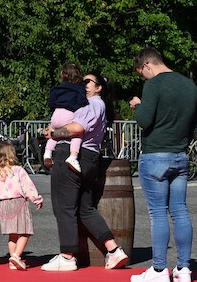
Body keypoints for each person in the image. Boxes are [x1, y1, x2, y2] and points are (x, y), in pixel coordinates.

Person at [41, 70, 129, 271]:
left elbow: (77, 128)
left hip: (74, 155)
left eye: (88, 81)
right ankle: (114, 251)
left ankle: (67, 256)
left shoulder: (92, 104)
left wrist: (53, 133)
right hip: (90, 158)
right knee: (85, 209)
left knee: (64, 207)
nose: (83, 83)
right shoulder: (100, 105)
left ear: (99, 87)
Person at [128, 47, 197, 282]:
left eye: (141, 73)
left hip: (155, 155)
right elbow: (194, 126)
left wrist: (138, 105)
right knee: (180, 211)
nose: (143, 77)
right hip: (180, 155)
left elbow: (144, 120)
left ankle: (159, 270)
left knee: (158, 213)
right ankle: (184, 269)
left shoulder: (154, 84)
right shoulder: (190, 85)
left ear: (147, 64)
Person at [0, 140, 43, 270]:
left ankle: (12, 259)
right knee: (25, 231)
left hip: (3, 205)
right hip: (18, 203)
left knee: (13, 233)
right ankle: (16, 256)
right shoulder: (18, 170)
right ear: (12, 155)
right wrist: (36, 199)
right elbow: (28, 186)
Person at [43, 63, 89, 173]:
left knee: (54, 134)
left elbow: (51, 102)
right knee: (76, 134)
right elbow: (82, 102)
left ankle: (47, 153)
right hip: (69, 113)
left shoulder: (56, 88)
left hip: (56, 114)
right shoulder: (79, 89)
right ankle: (73, 157)